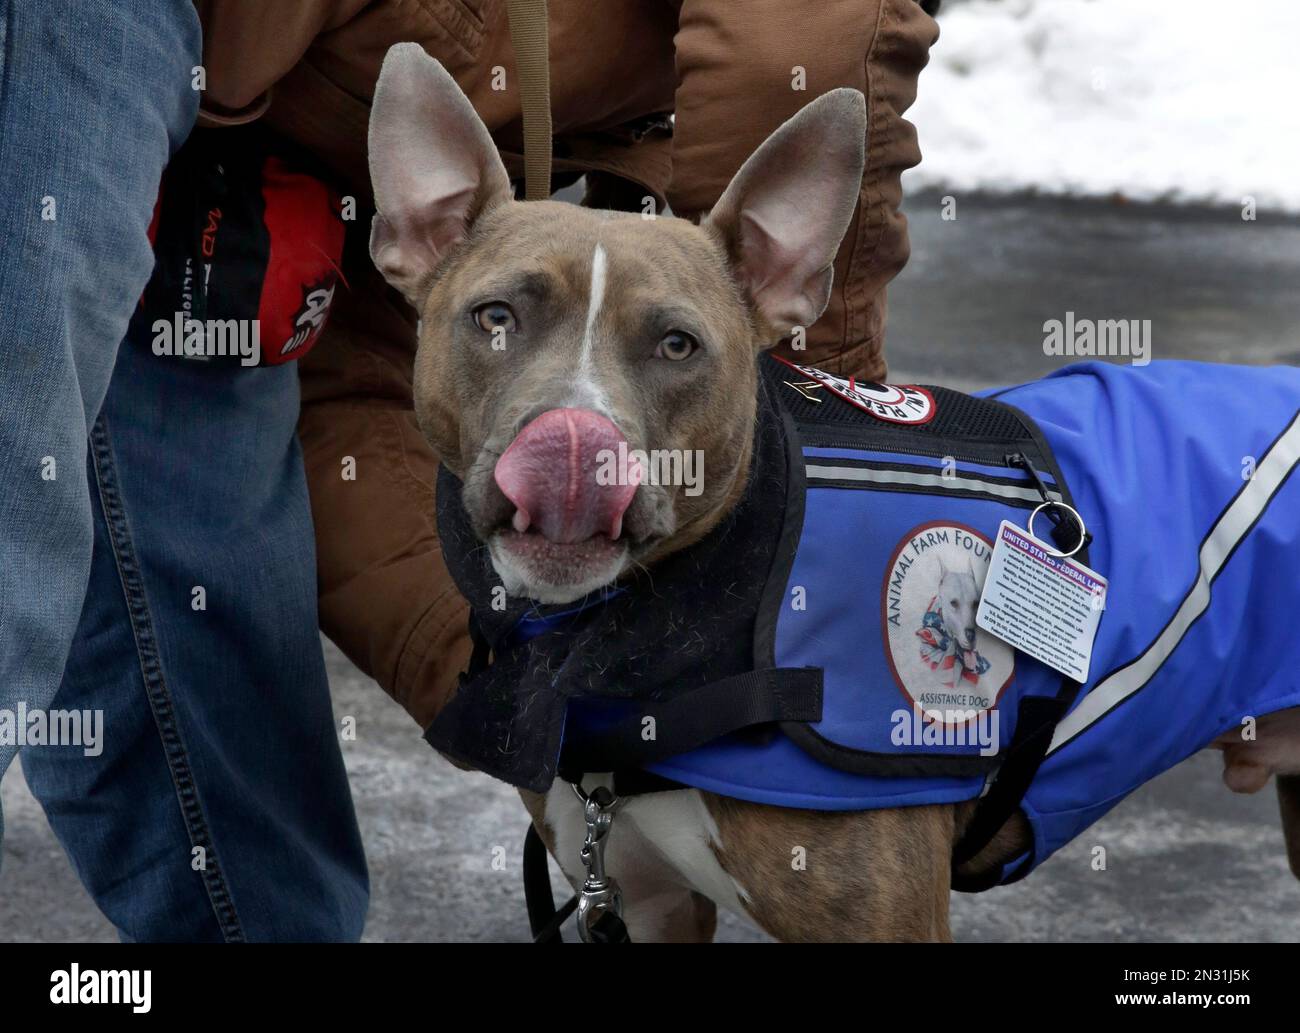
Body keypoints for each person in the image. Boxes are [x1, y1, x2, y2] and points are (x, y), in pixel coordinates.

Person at [0, 0, 936, 941]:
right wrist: (511, 676)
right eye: (498, 321)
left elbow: (813, 36)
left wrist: (802, 511)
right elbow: (355, 446)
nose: (577, 423)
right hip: (226, 135)